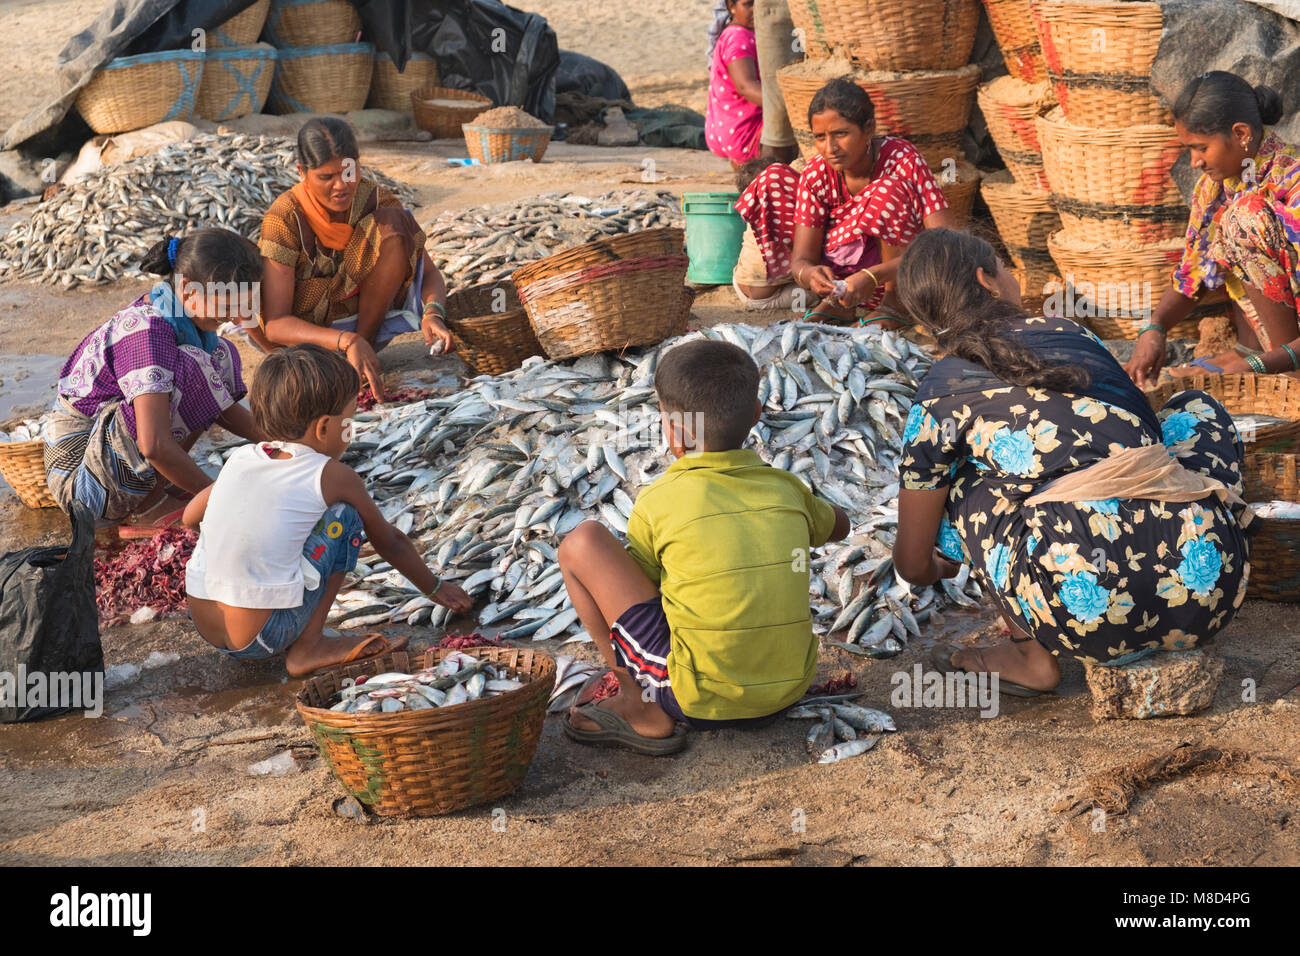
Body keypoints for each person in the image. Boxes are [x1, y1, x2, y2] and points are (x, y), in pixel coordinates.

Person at [895, 229, 1253, 695]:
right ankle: (1213, 528)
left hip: (1088, 617)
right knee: (1193, 410)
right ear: (986, 280)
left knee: (957, 482)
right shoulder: (1072, 332)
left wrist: (943, 567)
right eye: (1002, 266)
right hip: (1209, 591)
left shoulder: (936, 397)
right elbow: (1142, 428)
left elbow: (911, 561)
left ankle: (1031, 657)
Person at [557, 340, 850, 754]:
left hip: (698, 703)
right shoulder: (788, 488)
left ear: (672, 429)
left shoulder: (659, 499)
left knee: (581, 544)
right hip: (788, 692)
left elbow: (641, 591)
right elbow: (841, 525)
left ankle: (639, 704)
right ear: (756, 415)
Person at [183, 345, 472, 677]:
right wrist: (436, 589)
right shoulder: (332, 476)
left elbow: (191, 516)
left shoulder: (242, 457)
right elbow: (389, 542)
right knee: (345, 518)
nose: (352, 430)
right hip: (261, 638)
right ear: (323, 428)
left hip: (204, 622)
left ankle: (273, 618)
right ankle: (308, 647)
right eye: (348, 421)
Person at [44, 229, 266, 523]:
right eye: (227, 305)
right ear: (188, 290)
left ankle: (157, 488)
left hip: (110, 458)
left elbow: (222, 408)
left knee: (218, 356)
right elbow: (153, 444)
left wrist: (286, 444)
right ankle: (149, 504)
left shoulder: (186, 322)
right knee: (194, 367)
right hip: (85, 486)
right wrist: (216, 498)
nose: (236, 317)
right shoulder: (146, 332)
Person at [255, 117, 455, 400]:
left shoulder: (375, 199)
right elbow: (275, 324)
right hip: (304, 343)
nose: (341, 185)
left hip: (364, 332)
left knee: (395, 224)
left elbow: (430, 274)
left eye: (348, 171)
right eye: (326, 177)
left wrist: (433, 312)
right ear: (302, 171)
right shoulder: (284, 218)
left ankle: (364, 358)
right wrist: (346, 341)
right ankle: (334, 362)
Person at [734, 78, 957, 326]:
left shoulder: (901, 159)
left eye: (841, 134)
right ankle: (837, 301)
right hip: (849, 284)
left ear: (869, 129)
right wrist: (810, 275)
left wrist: (873, 277)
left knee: (887, 190)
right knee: (774, 176)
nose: (830, 148)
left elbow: (946, 243)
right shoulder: (817, 173)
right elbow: (802, 260)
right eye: (820, 137)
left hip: (903, 275)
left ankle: (896, 303)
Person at [1125, 71, 1300, 385]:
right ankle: (1253, 352)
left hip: (1292, 352)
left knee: (1244, 219)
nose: (1194, 161)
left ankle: (1287, 374)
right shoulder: (1216, 188)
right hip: (1274, 350)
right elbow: (1193, 271)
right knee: (1236, 216)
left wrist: (1259, 369)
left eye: (1201, 148)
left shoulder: (1292, 186)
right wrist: (1154, 329)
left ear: (1242, 133)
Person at [705, 0, 763, 167]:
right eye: (748, 4)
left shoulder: (737, 32)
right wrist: (788, 105)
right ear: (731, 5)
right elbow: (746, 87)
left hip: (729, 130)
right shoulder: (738, 37)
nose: (756, 10)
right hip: (743, 134)